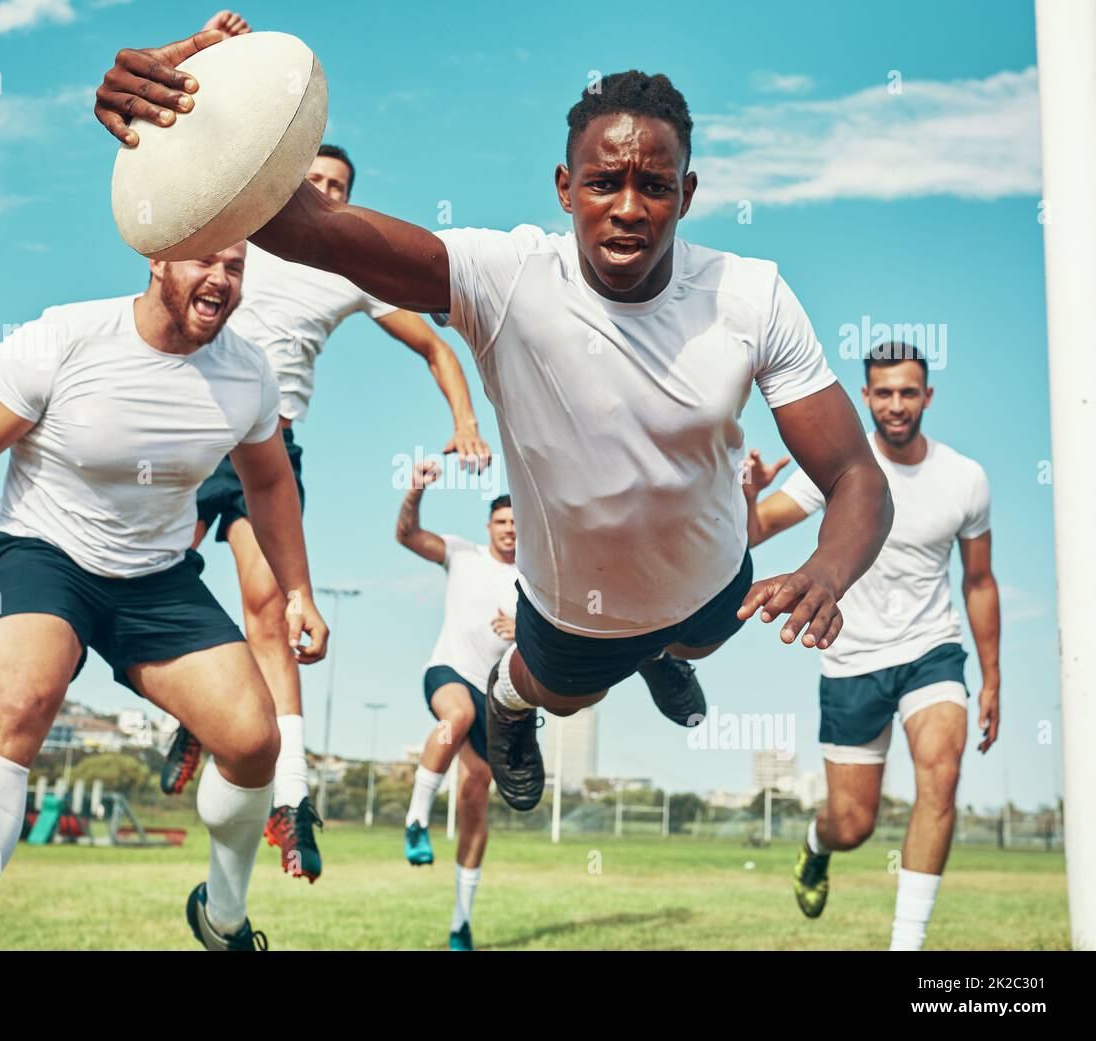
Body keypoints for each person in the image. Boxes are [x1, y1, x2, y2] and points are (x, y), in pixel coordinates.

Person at [94, 42, 894, 815]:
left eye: (654, 186)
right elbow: (310, 229)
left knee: (697, 643)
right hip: (577, 609)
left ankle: (662, 653)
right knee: (565, 698)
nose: (627, 208)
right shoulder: (502, 278)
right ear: (564, 187)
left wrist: (828, 571)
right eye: (603, 182)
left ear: (686, 194)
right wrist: (176, 121)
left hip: (712, 579)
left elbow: (857, 474)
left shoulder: (751, 296)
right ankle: (509, 701)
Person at [0, 243, 328, 951]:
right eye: (204, 261)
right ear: (158, 260)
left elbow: (269, 481)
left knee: (253, 739)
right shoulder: (63, 337)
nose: (221, 279)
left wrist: (298, 590)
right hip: (43, 554)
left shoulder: (247, 372)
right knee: (19, 702)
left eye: (236, 267)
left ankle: (222, 916)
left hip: (157, 576)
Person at [150, 11, 494, 888]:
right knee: (148, 569)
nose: (326, 191)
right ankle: (199, 702)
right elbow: (193, 139)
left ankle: (292, 798)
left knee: (270, 610)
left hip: (272, 446)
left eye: (339, 186)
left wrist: (465, 420)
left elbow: (435, 346)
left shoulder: (348, 272)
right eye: (314, 178)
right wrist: (214, 55)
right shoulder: (236, 230)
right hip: (188, 424)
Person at [744, 342, 1000, 951]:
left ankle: (906, 944)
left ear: (927, 396)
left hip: (932, 651)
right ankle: (816, 846)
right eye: (884, 393)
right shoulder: (840, 467)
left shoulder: (965, 478)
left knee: (941, 774)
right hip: (852, 660)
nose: (896, 405)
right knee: (852, 824)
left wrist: (991, 677)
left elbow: (979, 581)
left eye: (908, 392)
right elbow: (756, 530)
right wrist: (749, 497)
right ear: (865, 396)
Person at [396, 460, 516, 951]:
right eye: (502, 521)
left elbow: (558, 638)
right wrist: (414, 492)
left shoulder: (536, 580)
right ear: (489, 527)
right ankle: (416, 820)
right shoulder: (463, 554)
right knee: (456, 715)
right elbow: (407, 535)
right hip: (449, 672)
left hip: (497, 696)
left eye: (517, 523)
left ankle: (460, 923)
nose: (510, 529)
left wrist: (523, 629)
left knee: (474, 797)